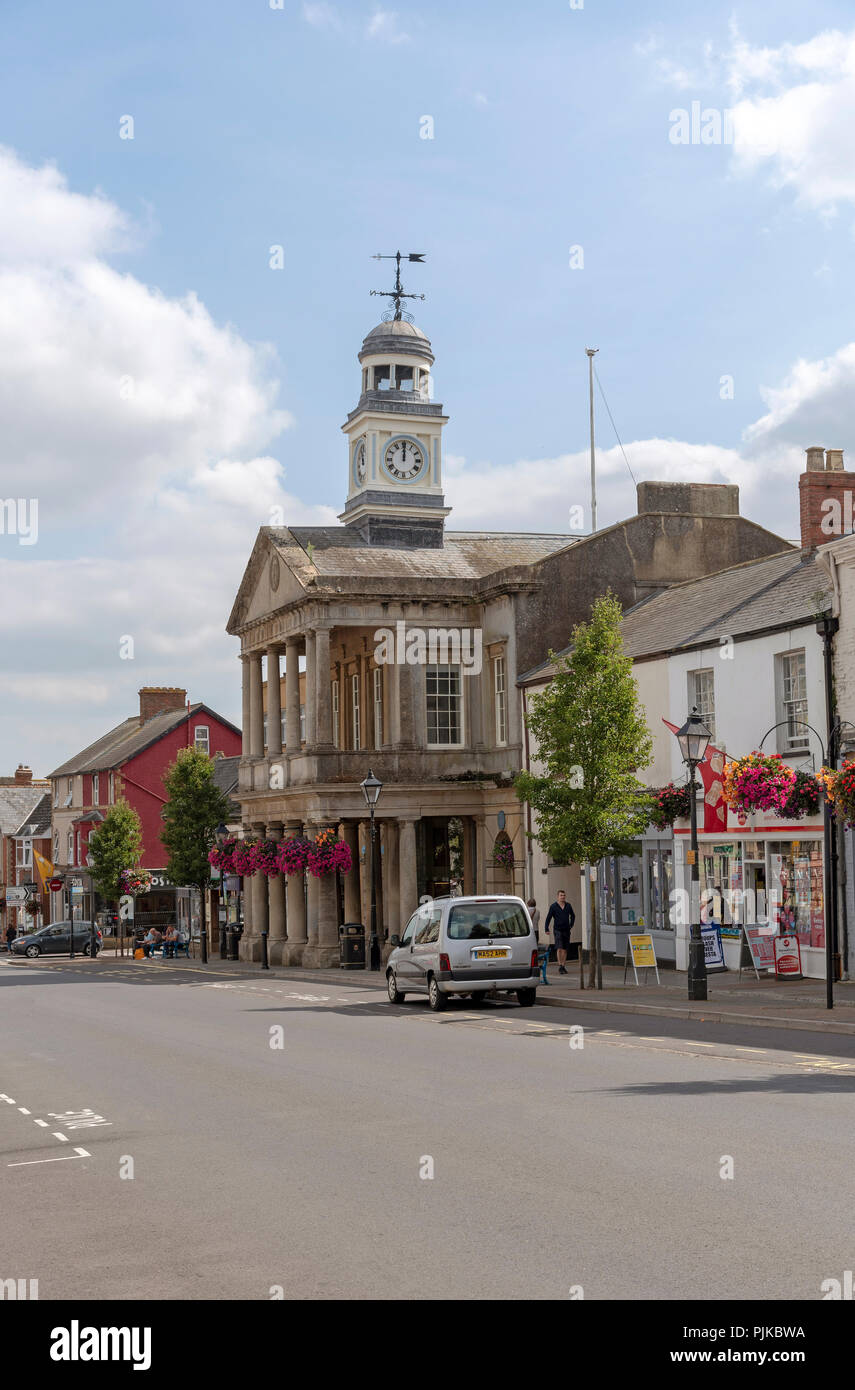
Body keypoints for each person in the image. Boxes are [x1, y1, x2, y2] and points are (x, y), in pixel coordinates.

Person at [544, 890, 575, 975]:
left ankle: (563, 966)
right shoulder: (553, 906)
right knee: (559, 948)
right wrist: (546, 928)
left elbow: (573, 915)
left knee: (565, 949)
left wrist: (571, 925)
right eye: (561, 895)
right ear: (558, 896)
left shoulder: (568, 906)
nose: (563, 897)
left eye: (564, 895)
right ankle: (560, 965)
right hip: (557, 930)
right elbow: (548, 918)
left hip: (566, 930)